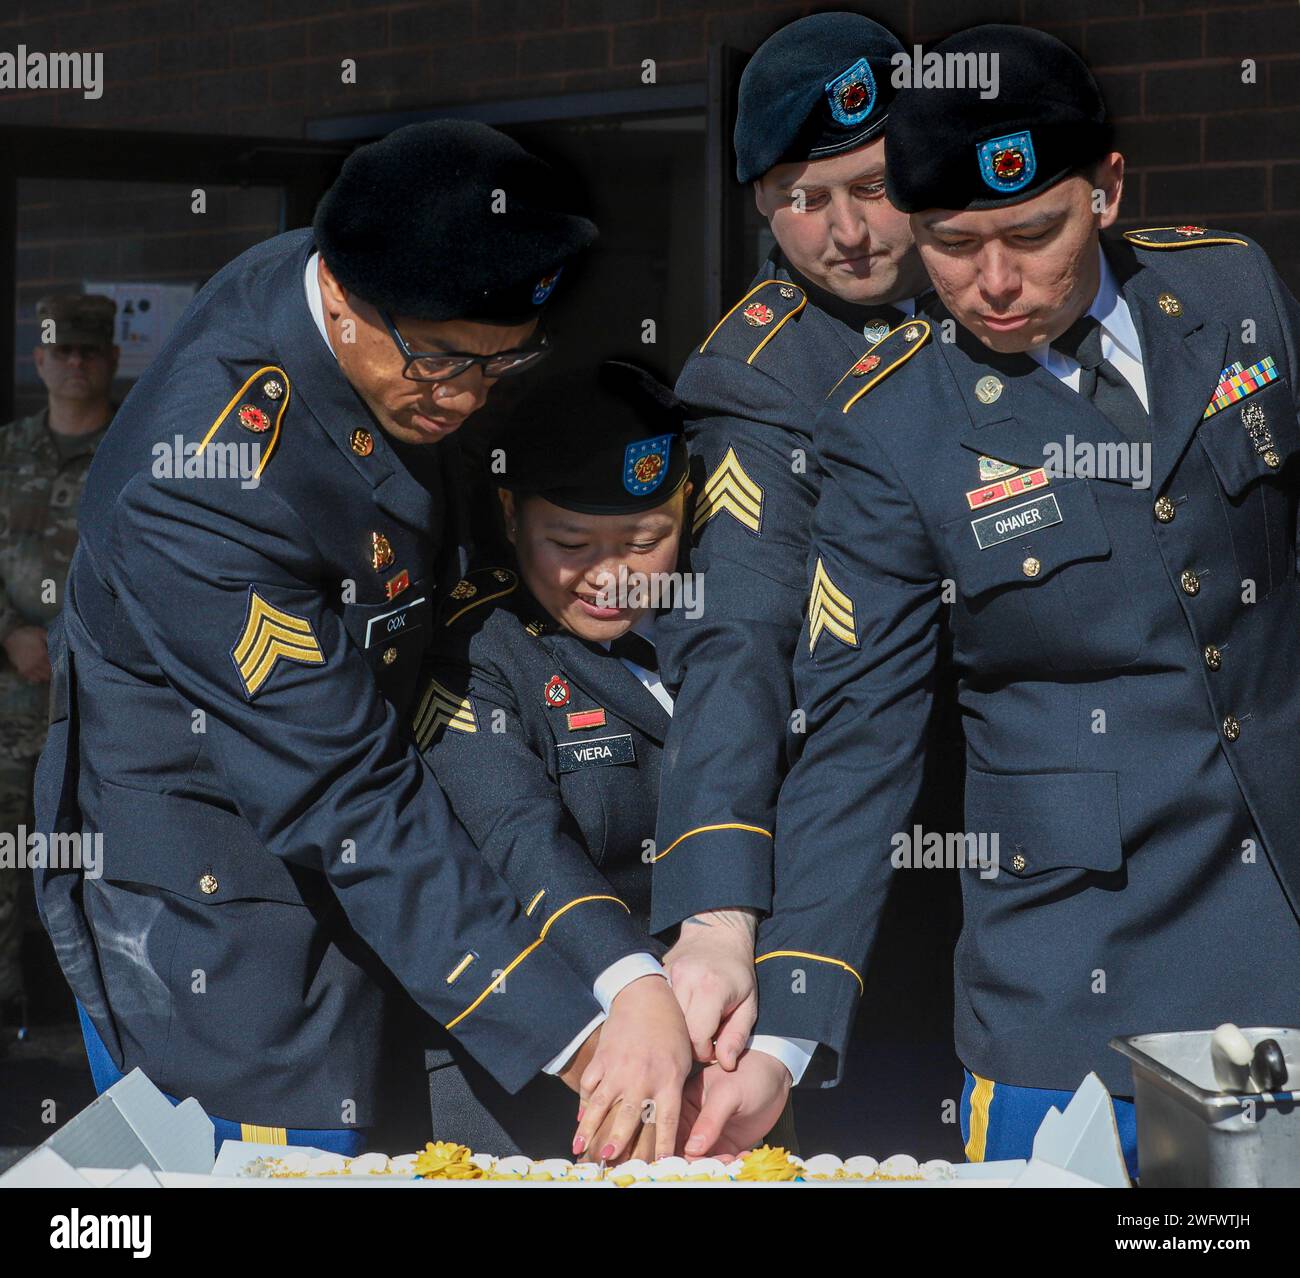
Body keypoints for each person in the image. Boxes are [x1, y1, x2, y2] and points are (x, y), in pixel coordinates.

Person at [686, 25, 1300, 1176]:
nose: (995, 284)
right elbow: (856, 732)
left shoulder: (1229, 288)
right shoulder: (890, 422)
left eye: (1031, 234)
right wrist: (783, 1030)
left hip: (1275, 938)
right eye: (952, 245)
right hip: (1070, 977)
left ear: (1106, 190)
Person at [32, 122, 687, 1158]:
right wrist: (579, 1038)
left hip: (393, 856)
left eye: (501, 362)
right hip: (224, 911)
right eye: (439, 361)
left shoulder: (370, 287)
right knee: (256, 1169)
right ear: (337, 296)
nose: (466, 397)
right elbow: (343, 789)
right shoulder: (199, 485)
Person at [650, 11, 934, 1087]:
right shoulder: (759, 376)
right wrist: (717, 910)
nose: (846, 232)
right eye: (803, 198)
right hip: (879, 854)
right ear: (761, 204)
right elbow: (738, 636)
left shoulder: (1021, 291)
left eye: (874, 186)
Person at [416, 361, 696, 1159]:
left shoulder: (727, 625)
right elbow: (515, 834)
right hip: (540, 1067)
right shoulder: (478, 646)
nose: (612, 579)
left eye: (646, 542)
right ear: (511, 513)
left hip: (719, 1042)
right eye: (570, 544)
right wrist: (634, 980)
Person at [0, 294, 117, 1045]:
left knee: (104, 856)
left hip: (105, 697)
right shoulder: (7, 450)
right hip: (12, 698)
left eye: (89, 350)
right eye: (61, 350)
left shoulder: (137, 447)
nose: (75, 362)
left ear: (110, 359)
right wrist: (10, 631)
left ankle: (101, 1034)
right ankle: (8, 1022)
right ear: (39, 360)